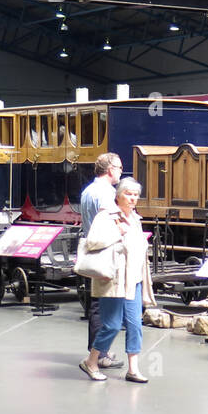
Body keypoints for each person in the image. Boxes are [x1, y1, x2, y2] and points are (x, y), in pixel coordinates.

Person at [79, 178, 155, 383]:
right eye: (128, 194)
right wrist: (116, 233)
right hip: (113, 279)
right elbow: (92, 242)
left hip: (133, 279)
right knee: (112, 325)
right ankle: (91, 361)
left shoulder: (136, 219)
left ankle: (133, 369)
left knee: (135, 324)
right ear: (118, 195)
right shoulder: (106, 216)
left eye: (135, 195)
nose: (132, 198)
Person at [80, 153, 125, 370]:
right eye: (119, 168)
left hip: (92, 250)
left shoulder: (88, 190)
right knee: (102, 304)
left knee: (97, 302)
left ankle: (99, 350)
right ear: (110, 169)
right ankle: (99, 354)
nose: (121, 171)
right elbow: (112, 224)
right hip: (106, 251)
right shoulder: (107, 193)